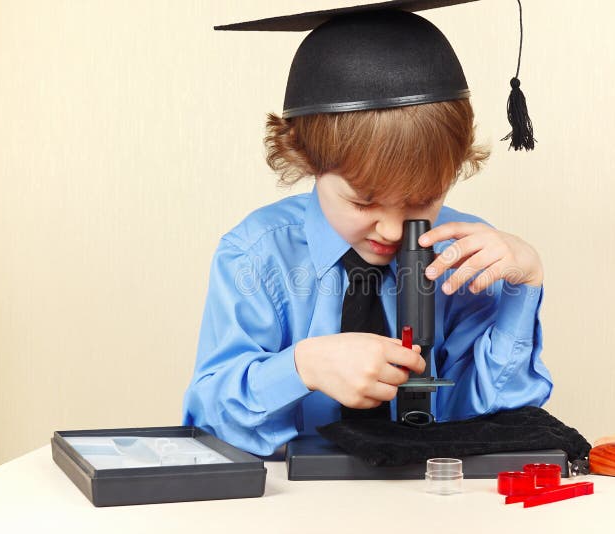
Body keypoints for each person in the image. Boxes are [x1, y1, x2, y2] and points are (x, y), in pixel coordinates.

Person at [183, 1, 552, 457]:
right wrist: (302, 367)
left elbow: (498, 418)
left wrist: (525, 284)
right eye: (362, 201)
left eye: (423, 199)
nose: (394, 229)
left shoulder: (467, 254)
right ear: (305, 162)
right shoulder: (256, 256)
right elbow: (211, 420)